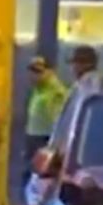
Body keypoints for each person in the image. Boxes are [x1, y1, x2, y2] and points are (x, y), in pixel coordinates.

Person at [22, 55, 67, 192]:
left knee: (40, 180)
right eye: (32, 71)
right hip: (34, 137)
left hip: (46, 139)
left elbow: (59, 119)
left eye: (38, 72)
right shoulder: (38, 89)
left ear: (50, 72)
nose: (34, 76)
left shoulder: (56, 91)